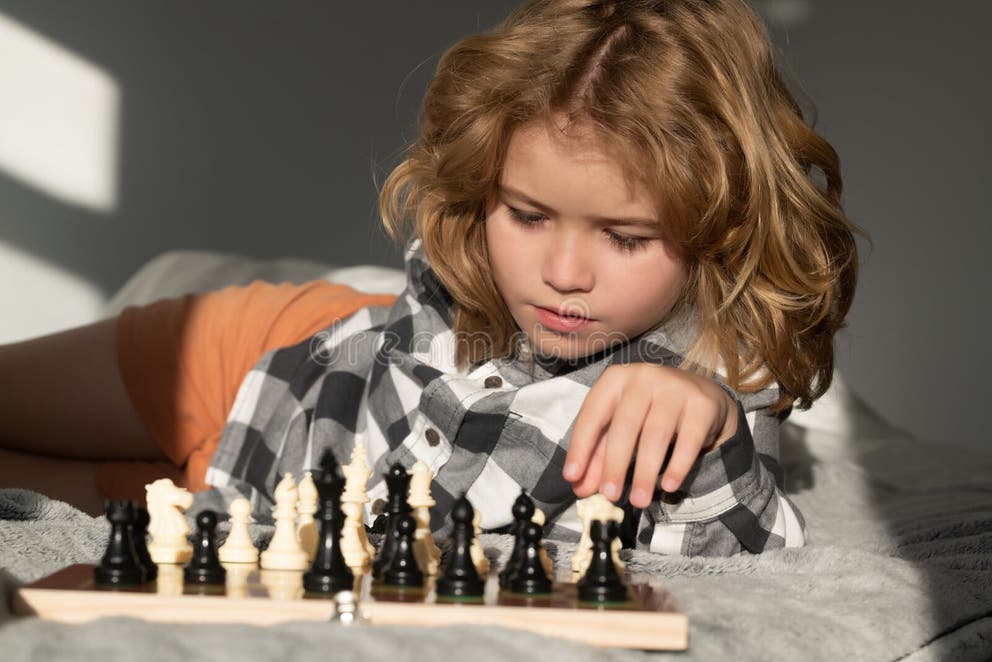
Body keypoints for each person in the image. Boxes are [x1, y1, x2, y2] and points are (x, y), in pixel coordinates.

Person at [0, 0, 859, 556]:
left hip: (255, 508)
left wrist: (711, 426)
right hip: (271, 349)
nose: (564, 274)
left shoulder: (709, 383)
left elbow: (755, 549)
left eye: (626, 238)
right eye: (525, 216)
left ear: (715, 230)